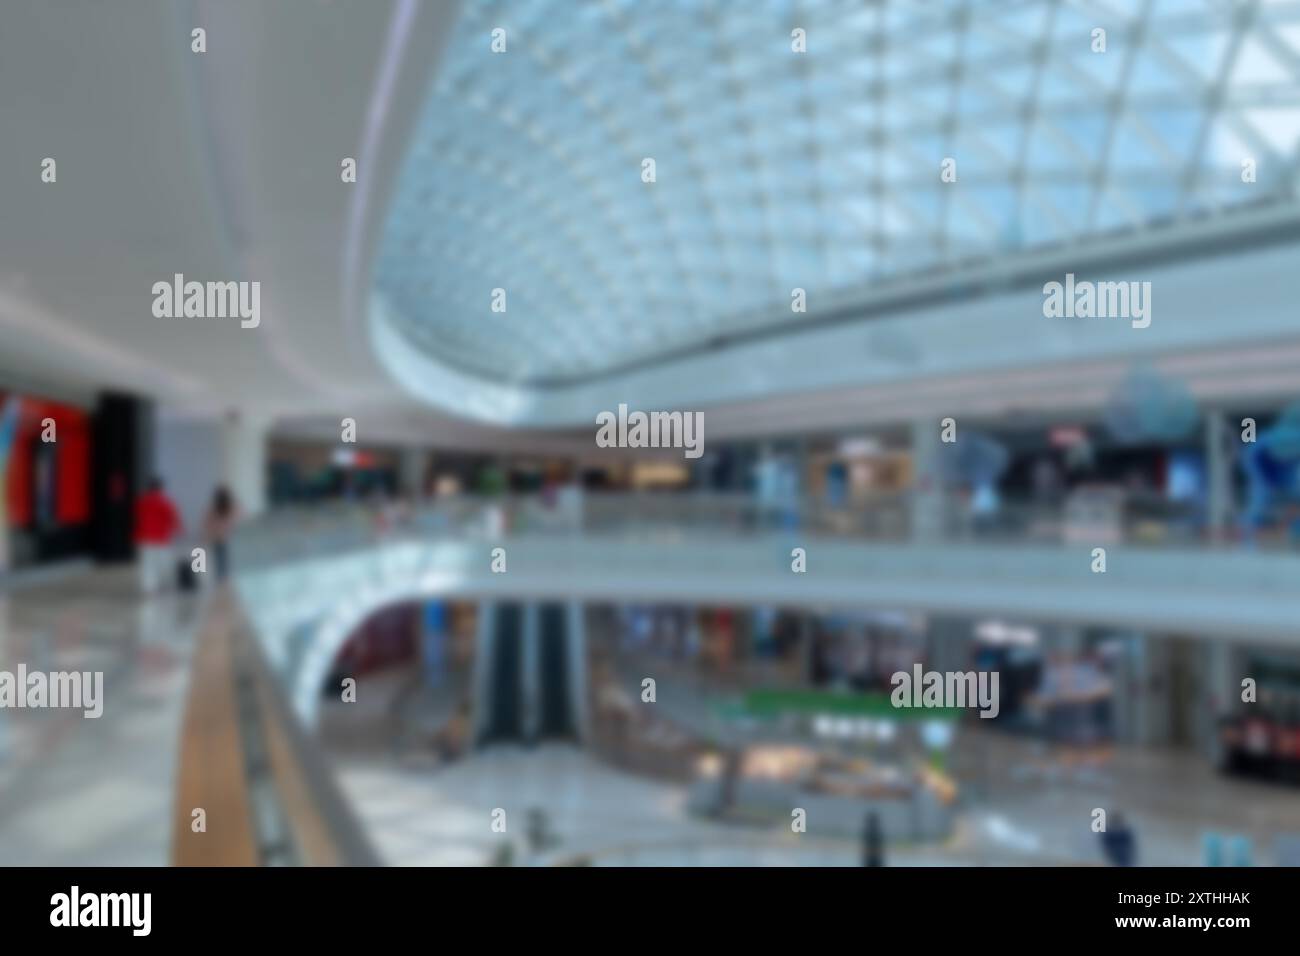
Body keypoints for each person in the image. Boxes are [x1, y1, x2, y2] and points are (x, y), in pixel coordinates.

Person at [134, 477, 182, 595]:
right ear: (160, 488)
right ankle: (164, 587)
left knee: (147, 564)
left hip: (144, 537)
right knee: (163, 563)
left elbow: (136, 518)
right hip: (162, 538)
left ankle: (149, 588)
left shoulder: (141, 501)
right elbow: (173, 518)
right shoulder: (165, 502)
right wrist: (178, 530)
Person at [203, 485, 239, 581]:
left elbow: (207, 523)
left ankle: (221, 578)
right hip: (225, 537)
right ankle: (224, 578)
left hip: (217, 537)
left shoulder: (214, 509)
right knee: (224, 559)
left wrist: (207, 535)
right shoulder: (229, 508)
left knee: (219, 559)